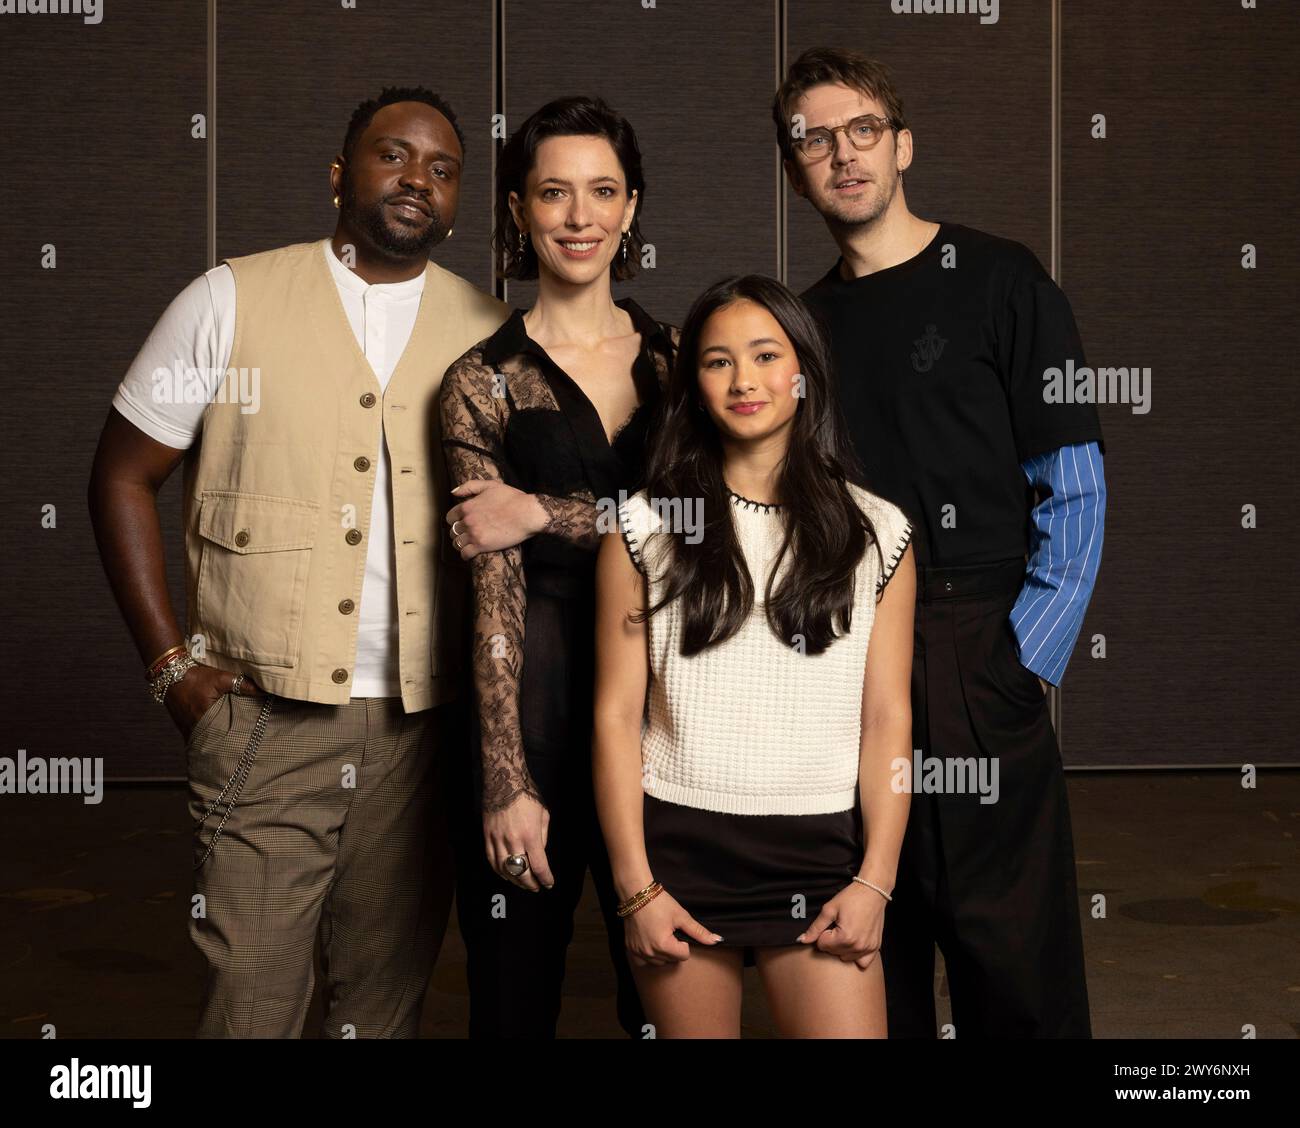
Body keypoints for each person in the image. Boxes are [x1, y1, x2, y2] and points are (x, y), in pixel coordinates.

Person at [86, 87, 509, 1037]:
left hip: (424, 731)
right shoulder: (228, 299)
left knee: (385, 1002)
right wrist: (172, 669)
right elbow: (120, 476)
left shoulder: (488, 327)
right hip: (264, 721)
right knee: (254, 1001)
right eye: (393, 156)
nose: (418, 181)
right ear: (337, 176)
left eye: (443, 169)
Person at [776, 47, 1107, 1037]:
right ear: (794, 168)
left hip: (979, 642)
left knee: (1014, 956)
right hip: (849, 650)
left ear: (902, 144)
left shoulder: (1003, 279)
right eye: (814, 140)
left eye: (862, 130)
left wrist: (1020, 660)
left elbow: (1077, 484)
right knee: (875, 931)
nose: (843, 155)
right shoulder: (801, 326)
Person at [593, 274, 916, 1038]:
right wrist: (635, 888)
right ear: (693, 384)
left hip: (822, 857)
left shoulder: (879, 531)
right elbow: (612, 715)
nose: (743, 380)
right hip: (679, 856)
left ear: (804, 372)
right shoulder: (643, 527)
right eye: (716, 361)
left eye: (766, 355)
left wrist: (877, 879)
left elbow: (888, 716)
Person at [438, 95, 678, 1038]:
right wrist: (506, 777)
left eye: (603, 192)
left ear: (631, 208)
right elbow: (492, 577)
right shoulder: (479, 379)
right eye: (553, 193)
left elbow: (700, 534)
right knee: (511, 992)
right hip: (528, 694)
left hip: (668, 712)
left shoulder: (683, 361)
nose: (580, 217)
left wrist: (542, 510)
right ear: (516, 210)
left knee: (661, 983)